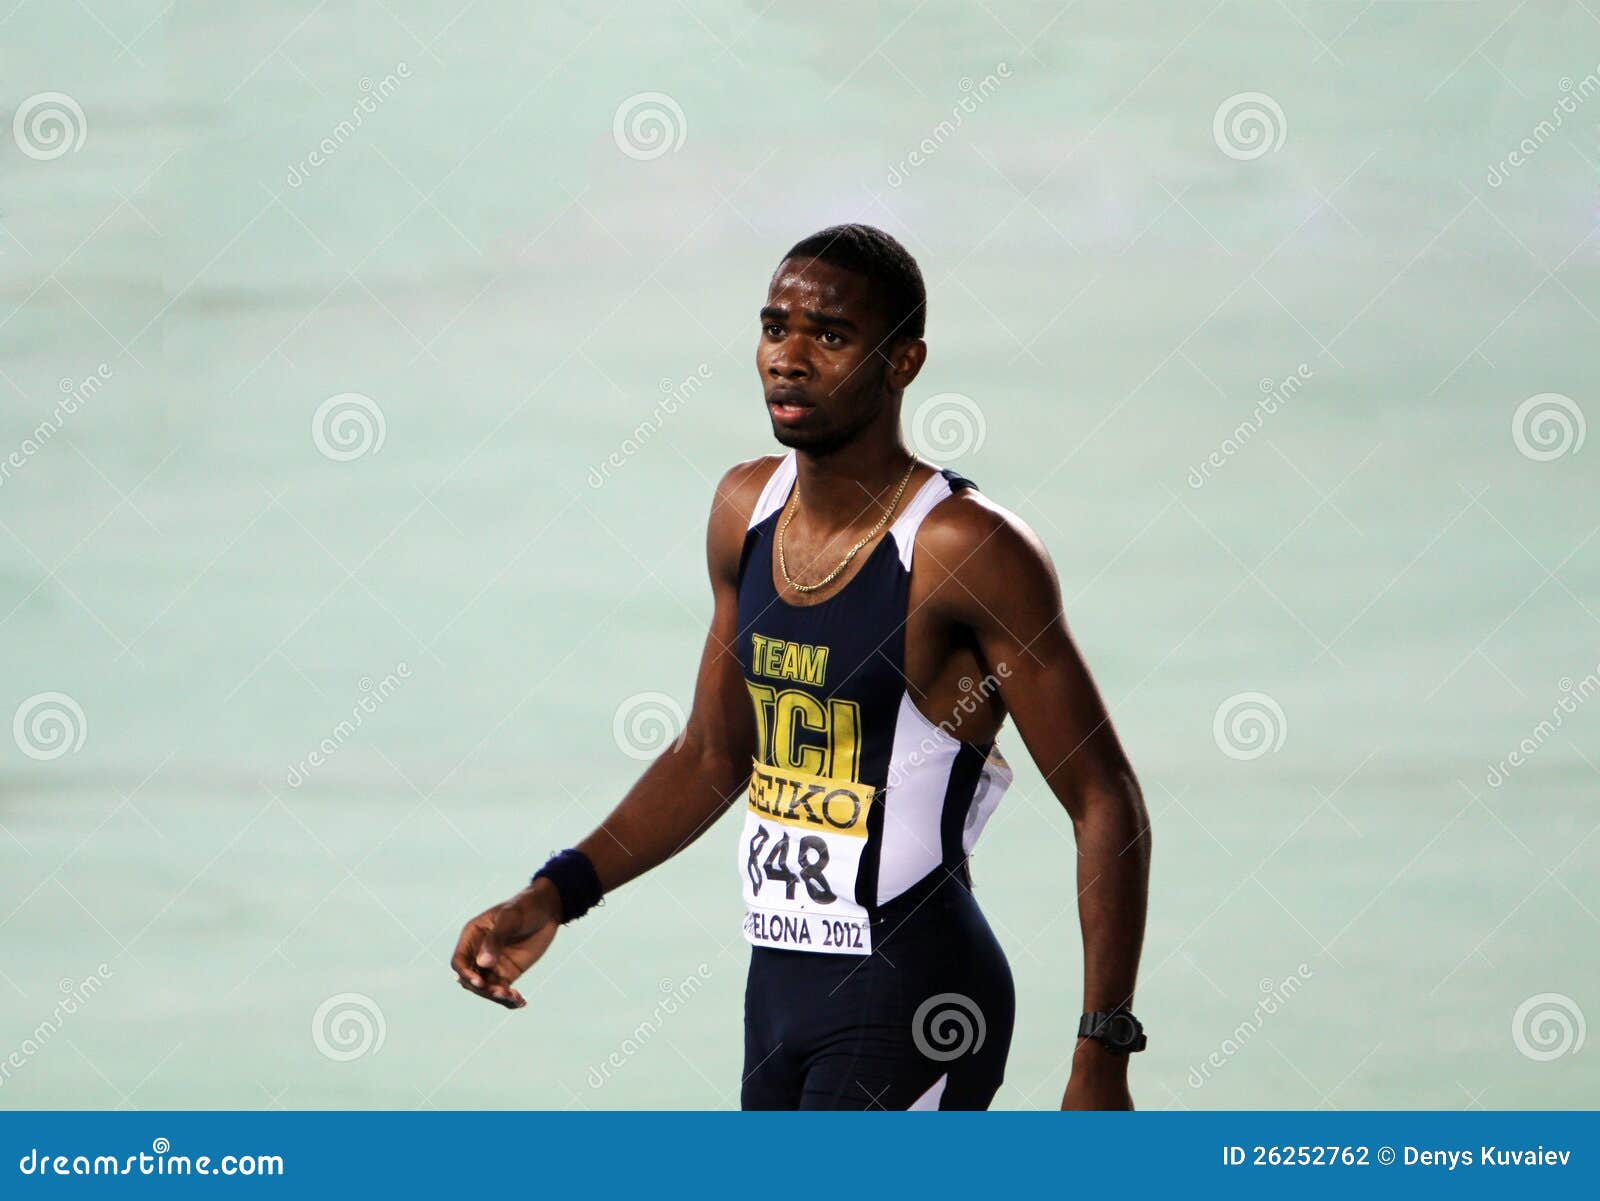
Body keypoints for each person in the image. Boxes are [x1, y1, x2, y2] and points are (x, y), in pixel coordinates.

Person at [451, 223, 1151, 1110]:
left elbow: (1103, 794)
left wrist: (1103, 1051)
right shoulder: (746, 509)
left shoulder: (963, 549)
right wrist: (555, 892)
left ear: (904, 362)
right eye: (774, 326)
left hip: (916, 994)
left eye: (829, 335)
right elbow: (712, 754)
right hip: (778, 997)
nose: (788, 358)